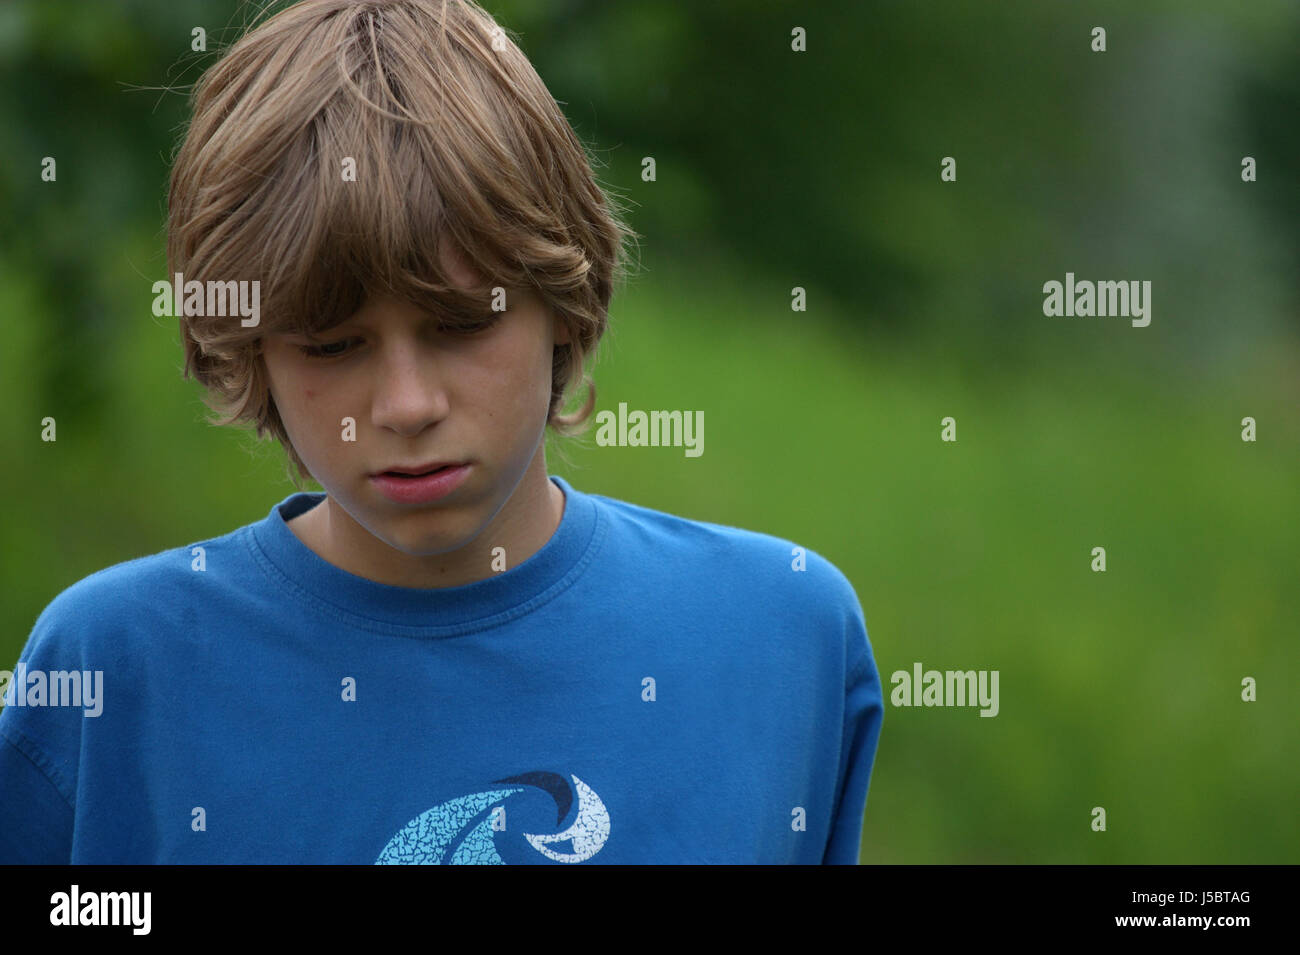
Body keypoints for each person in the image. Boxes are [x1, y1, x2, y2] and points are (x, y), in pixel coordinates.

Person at [0, 0, 882, 864]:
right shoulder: (112, 671)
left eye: (461, 324)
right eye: (333, 343)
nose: (407, 404)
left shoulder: (782, 636)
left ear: (565, 305)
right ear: (248, 351)